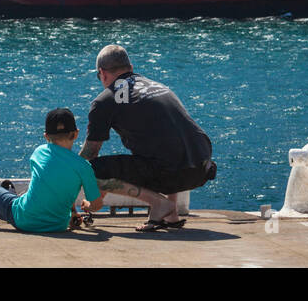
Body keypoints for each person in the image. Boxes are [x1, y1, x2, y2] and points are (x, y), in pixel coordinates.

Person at [80, 44, 216, 232]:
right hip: (201, 167)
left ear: (102, 73)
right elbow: (171, 140)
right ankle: (171, 214)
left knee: (88, 169)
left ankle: (158, 204)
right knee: (161, 148)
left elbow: (90, 153)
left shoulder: (105, 100)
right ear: (131, 68)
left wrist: (70, 171)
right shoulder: (158, 87)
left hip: (173, 173)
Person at [0, 108, 104, 232]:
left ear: (46, 136)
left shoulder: (39, 152)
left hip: (24, 219)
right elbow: (96, 205)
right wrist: (86, 205)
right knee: (30, 197)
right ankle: (12, 197)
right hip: (58, 225)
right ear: (76, 134)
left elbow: (50, 182)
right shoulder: (84, 167)